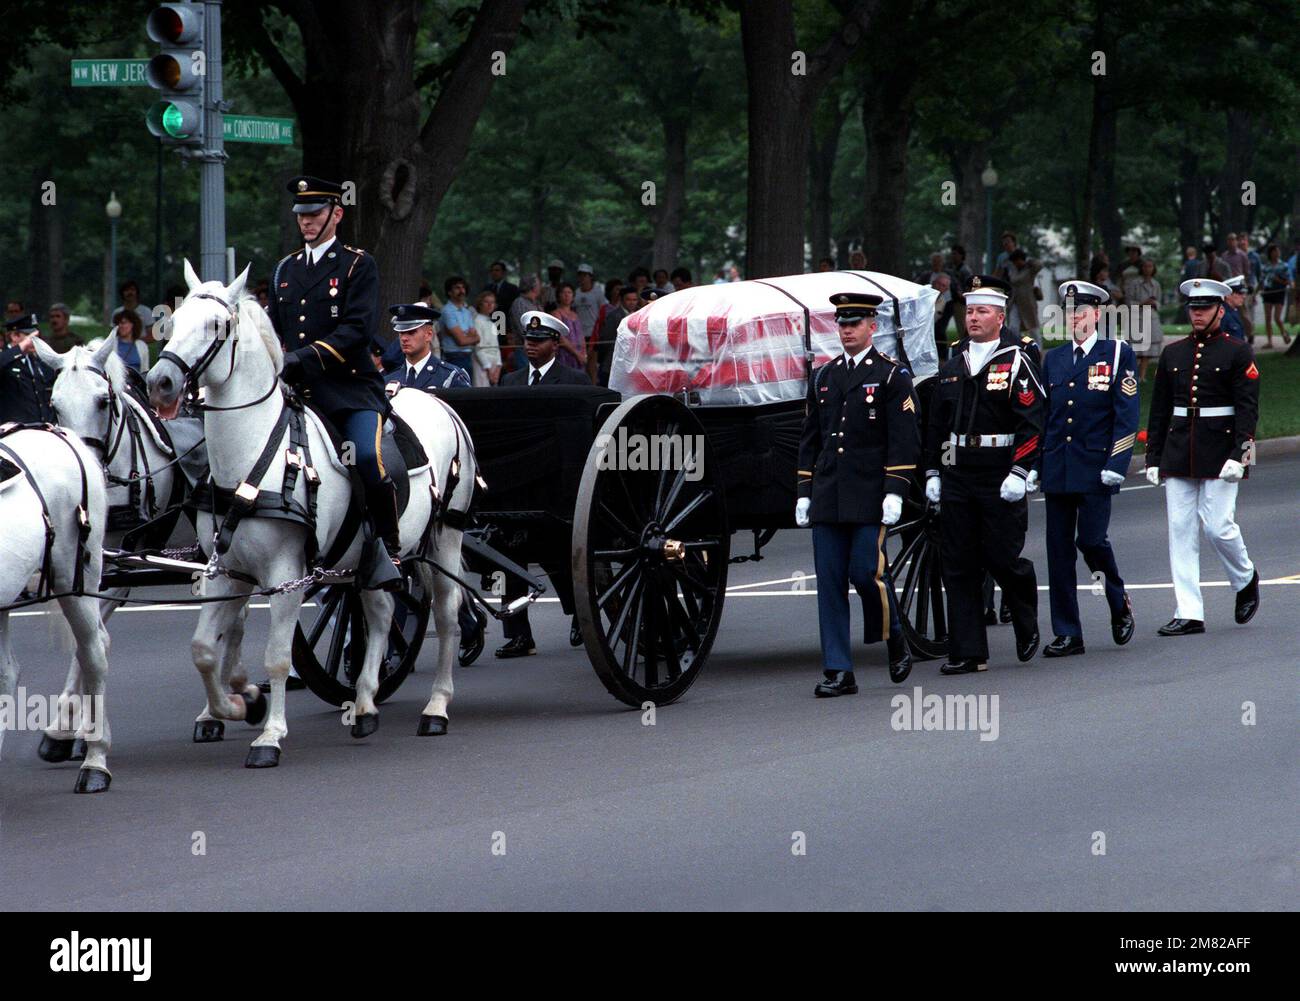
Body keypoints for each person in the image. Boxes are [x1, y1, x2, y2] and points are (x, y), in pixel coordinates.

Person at [268, 175, 402, 577]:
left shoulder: (358, 265)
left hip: (349, 389)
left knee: (363, 457)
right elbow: (275, 329)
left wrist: (303, 357)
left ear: (336, 214)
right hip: (299, 392)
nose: (306, 222)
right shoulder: (284, 270)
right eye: (302, 215)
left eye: (315, 214)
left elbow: (356, 329)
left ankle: (387, 546)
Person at [796, 292, 917, 697]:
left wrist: (895, 490)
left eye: (855, 323)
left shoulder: (890, 375)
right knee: (829, 581)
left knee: (866, 572)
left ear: (872, 327)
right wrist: (804, 491)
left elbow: (904, 441)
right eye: (842, 323)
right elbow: (810, 441)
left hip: (870, 494)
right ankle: (838, 670)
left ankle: (894, 633)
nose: (846, 330)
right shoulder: (824, 377)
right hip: (830, 493)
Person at [924, 275, 1043, 674]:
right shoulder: (954, 362)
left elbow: (1032, 422)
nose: (972, 318)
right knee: (957, 562)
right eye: (969, 311)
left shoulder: (1016, 360)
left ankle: (1025, 619)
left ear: (1000, 316)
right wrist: (933, 472)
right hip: (958, 472)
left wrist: (1020, 469)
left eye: (981, 311)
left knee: (1001, 557)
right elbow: (937, 425)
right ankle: (969, 651)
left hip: (999, 473)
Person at [1145, 278, 1260, 636]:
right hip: (1179, 449)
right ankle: (1189, 611)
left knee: (1218, 526)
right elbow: (1160, 409)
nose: (1197, 314)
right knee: (1180, 531)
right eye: (1193, 308)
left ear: (1220, 310)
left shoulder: (1238, 352)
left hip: (1222, 449)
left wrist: (1242, 456)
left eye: (1205, 308)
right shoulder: (1174, 353)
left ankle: (1245, 577)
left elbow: (1248, 410)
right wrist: (1152, 458)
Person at [1036, 280, 1138, 657]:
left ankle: (1117, 598)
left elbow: (1126, 417)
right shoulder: (1055, 359)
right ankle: (1067, 632)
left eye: (1081, 311)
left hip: (1096, 466)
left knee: (1091, 541)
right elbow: (1045, 417)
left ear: (1097, 314)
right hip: (1058, 467)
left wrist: (1118, 462)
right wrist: (1035, 464)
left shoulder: (1116, 354)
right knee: (1058, 550)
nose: (1074, 318)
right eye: (1068, 312)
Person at [496, 311, 590, 658]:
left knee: (561, 558)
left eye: (538, 341)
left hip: (556, 486)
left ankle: (582, 617)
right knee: (508, 558)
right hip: (517, 485)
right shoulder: (511, 381)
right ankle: (518, 633)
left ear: (555, 343)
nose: (531, 346)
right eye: (527, 340)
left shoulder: (574, 381)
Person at [382, 303, 471, 391]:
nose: (404, 338)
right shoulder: (388, 380)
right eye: (401, 332)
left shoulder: (450, 377)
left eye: (411, 332)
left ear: (428, 335)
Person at [0, 313, 57, 425]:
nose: (36, 341)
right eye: (32, 337)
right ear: (15, 336)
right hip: (11, 431)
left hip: (39, 428)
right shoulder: (6, 358)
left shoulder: (35, 361)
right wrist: (22, 347)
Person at [1123, 259, 1163, 381]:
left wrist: (1154, 303)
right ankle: (1131, 374)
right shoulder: (1134, 283)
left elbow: (1159, 301)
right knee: (1136, 348)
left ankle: (1142, 376)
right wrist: (1142, 303)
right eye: (1145, 266)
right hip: (1137, 317)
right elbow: (1128, 302)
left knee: (1147, 349)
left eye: (1150, 266)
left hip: (1151, 317)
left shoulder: (1156, 284)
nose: (1148, 269)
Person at [593, 284, 638, 386]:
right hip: (612, 363)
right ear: (621, 300)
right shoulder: (613, 316)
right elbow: (605, 341)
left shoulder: (639, 314)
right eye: (628, 299)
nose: (632, 302)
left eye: (634, 300)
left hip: (632, 363)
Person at [437, 276, 478, 377]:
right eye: (457, 288)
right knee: (457, 391)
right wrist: (470, 337)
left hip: (468, 356)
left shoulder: (467, 311)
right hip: (453, 357)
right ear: (449, 292)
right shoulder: (447, 311)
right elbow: (461, 341)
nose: (461, 290)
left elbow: (478, 338)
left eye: (463, 287)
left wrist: (467, 336)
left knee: (468, 390)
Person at [1005, 247, 1043, 342]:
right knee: (1013, 327)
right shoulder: (1013, 270)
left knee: (1033, 328)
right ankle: (1015, 346)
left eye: (1016, 261)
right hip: (1015, 301)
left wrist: (1028, 261)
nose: (1015, 263)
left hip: (1027, 302)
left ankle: (1038, 350)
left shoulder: (1030, 269)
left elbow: (1039, 264)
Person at [506, 274, 542, 372]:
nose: (540, 287)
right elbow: (524, 329)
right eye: (539, 284)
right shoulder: (519, 303)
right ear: (533, 287)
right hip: (525, 351)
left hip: (538, 351)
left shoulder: (536, 304)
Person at [1258, 243, 1292, 347]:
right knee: (1268, 318)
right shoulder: (1266, 267)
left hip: (1279, 292)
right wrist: (1258, 291)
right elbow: (1261, 281)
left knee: (1277, 317)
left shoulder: (1284, 266)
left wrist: (1279, 280)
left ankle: (1284, 333)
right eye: (1274, 251)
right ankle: (1270, 341)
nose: (1277, 253)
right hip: (1268, 292)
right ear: (1270, 253)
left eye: (1278, 251)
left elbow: (1288, 281)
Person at [470, 291, 504, 386]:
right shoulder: (477, 321)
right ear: (480, 304)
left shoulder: (492, 323)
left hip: (494, 363)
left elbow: (496, 347)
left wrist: (498, 366)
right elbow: (478, 348)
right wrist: (488, 368)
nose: (490, 305)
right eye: (486, 302)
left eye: (492, 302)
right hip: (483, 364)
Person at [572, 264, 606, 346]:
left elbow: (603, 311)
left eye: (585, 275)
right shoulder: (575, 293)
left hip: (594, 332)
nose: (582, 277)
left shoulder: (598, 292)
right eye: (580, 275)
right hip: (579, 333)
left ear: (591, 276)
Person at [109, 307, 150, 374]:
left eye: (123, 323)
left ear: (132, 324)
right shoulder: (111, 344)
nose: (120, 325)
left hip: (137, 383)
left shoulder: (142, 346)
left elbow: (145, 371)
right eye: (118, 323)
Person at [1221, 276, 1249, 341]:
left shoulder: (1233, 311)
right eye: (1240, 293)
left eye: (1244, 293)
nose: (1244, 296)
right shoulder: (1222, 314)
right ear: (1228, 295)